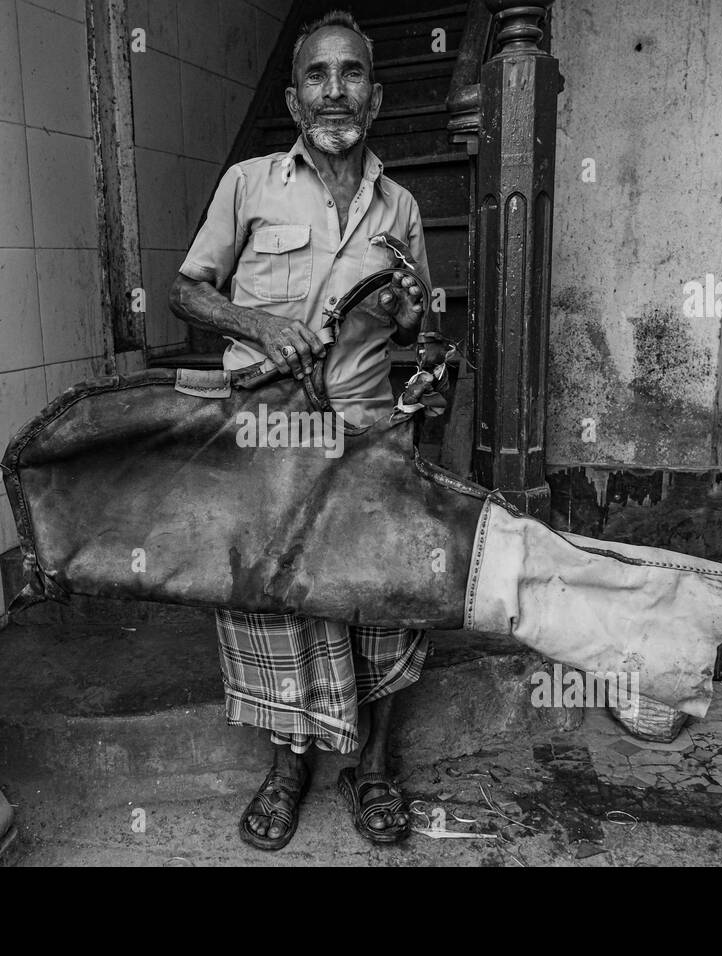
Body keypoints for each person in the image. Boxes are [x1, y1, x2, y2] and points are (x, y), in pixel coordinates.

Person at [169, 9, 431, 850]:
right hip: (268, 434)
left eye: (350, 74)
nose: (334, 91)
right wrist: (253, 324)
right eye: (317, 76)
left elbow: (418, 320)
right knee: (272, 606)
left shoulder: (403, 207)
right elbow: (187, 290)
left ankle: (375, 770)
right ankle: (288, 771)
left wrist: (404, 314)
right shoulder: (248, 183)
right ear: (292, 97)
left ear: (376, 95)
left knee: (385, 602)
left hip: (369, 434)